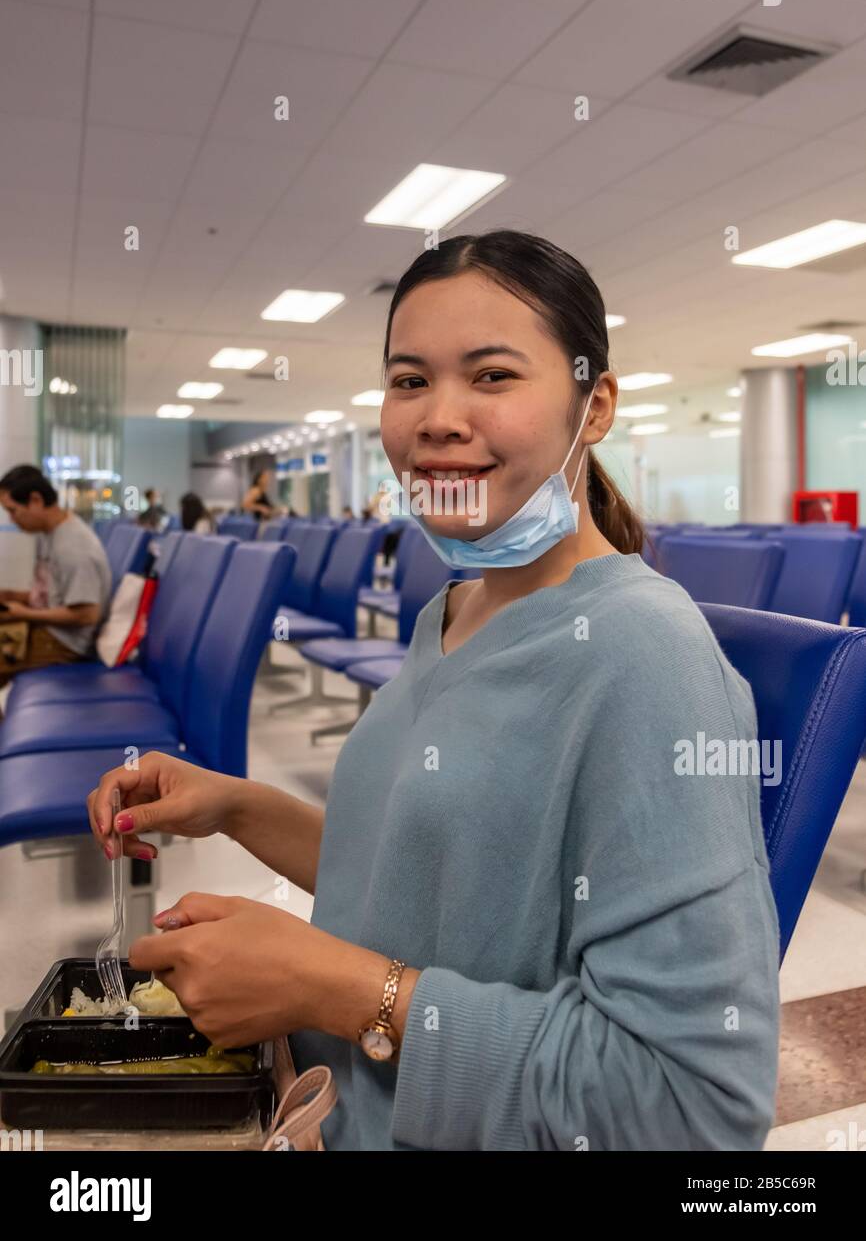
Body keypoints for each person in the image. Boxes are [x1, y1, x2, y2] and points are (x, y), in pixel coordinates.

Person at [87, 230, 779, 1151]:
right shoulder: (450, 612)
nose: (438, 417)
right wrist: (238, 807)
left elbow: (692, 1106)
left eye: (492, 376)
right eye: (409, 380)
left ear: (595, 407)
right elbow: (432, 881)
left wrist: (336, 988)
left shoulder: (648, 660)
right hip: (315, 1105)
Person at [0, 464, 112, 682]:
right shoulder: (48, 533)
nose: (12, 520)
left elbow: (86, 614)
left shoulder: (74, 547)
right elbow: (56, 595)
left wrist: (21, 613)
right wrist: (13, 597)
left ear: (35, 500)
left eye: (13, 511)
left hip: (65, 645)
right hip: (49, 631)